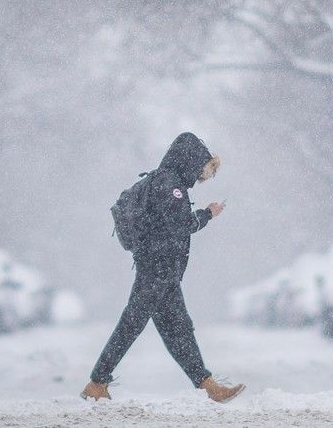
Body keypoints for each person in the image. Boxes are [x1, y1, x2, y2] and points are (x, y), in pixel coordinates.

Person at [81, 132, 245, 403]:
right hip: (158, 269)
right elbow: (182, 225)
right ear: (189, 161)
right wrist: (208, 214)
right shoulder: (171, 186)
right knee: (132, 324)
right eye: (201, 170)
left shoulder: (163, 180)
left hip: (161, 270)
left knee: (178, 328)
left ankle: (207, 385)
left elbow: (167, 223)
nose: (201, 178)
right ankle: (97, 382)